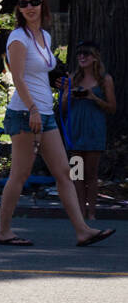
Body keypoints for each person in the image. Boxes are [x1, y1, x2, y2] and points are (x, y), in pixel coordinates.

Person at [0, 0, 114, 247]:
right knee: (19, 175)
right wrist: (33, 109)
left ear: (42, 3)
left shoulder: (45, 37)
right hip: (25, 114)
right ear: (18, 9)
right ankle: (3, 231)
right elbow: (18, 78)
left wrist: (56, 83)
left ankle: (82, 230)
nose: (29, 8)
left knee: (64, 172)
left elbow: (40, 74)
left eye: (33, 2)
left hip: (45, 114)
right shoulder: (18, 38)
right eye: (23, 4)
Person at [64, 40, 116, 221]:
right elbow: (62, 108)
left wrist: (93, 97)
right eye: (79, 54)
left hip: (94, 132)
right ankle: (80, 212)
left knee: (91, 175)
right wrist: (67, 95)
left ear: (95, 57)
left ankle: (92, 212)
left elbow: (112, 107)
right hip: (75, 133)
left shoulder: (105, 80)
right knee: (76, 173)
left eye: (86, 54)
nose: (82, 57)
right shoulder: (73, 78)